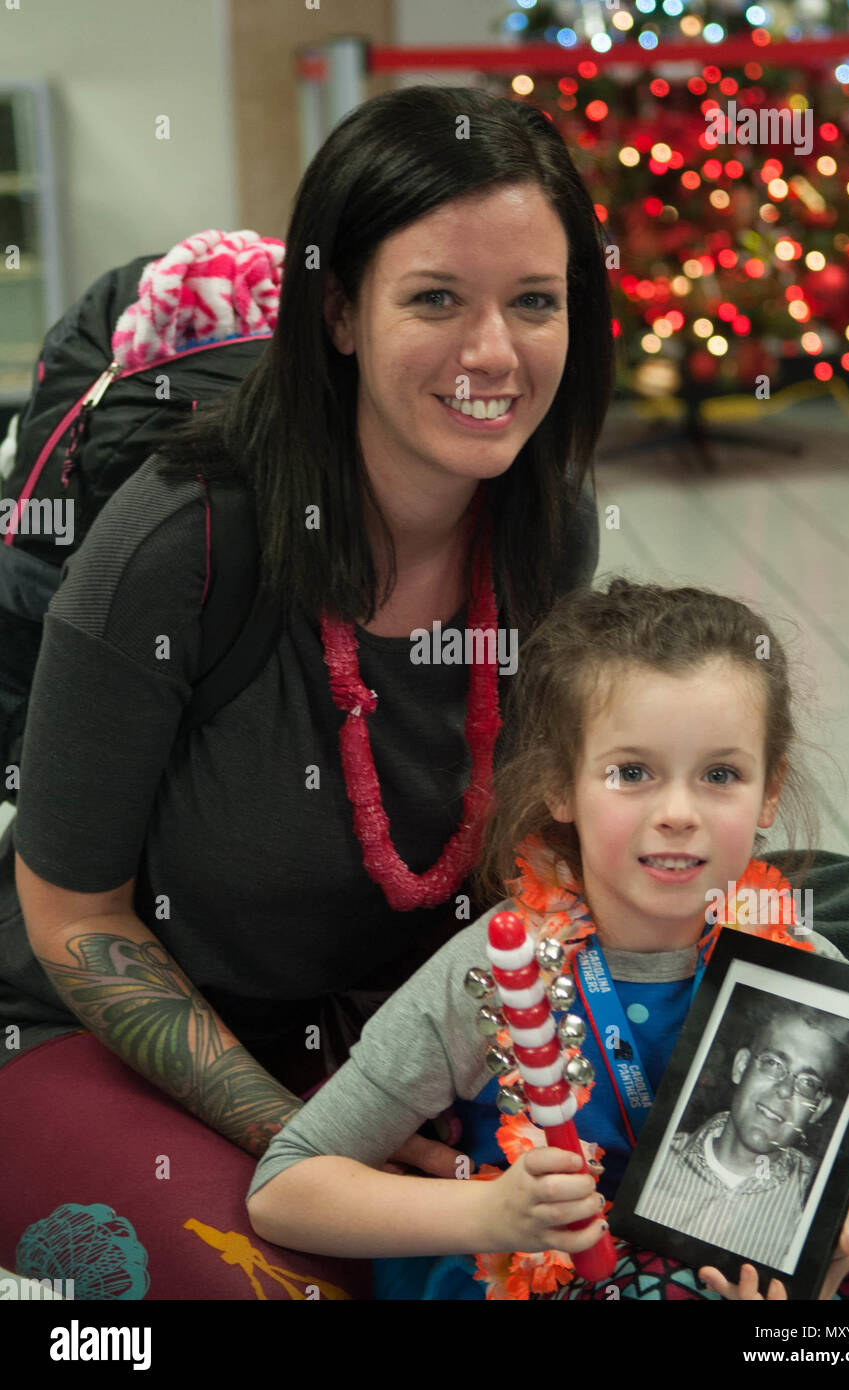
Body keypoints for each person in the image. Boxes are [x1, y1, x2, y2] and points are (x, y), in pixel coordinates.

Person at [0, 85, 612, 1300]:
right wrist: (312, 1130)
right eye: (435, 297)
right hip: (92, 1041)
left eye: (533, 302)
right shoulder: (181, 544)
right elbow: (76, 921)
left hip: (386, 1032)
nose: (493, 354)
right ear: (337, 311)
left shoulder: (545, 530)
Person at [245, 578, 849, 1302]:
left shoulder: (807, 984)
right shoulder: (496, 969)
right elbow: (286, 1187)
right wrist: (495, 1212)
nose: (677, 813)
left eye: (720, 775)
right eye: (631, 773)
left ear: (768, 791)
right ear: (560, 787)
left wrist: (840, 1246)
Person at [635, 1000, 849, 1270]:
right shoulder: (652, 1162)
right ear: (741, 1066)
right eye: (774, 1063)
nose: (785, 1090)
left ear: (818, 1109)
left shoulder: (817, 1204)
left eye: (808, 1083)